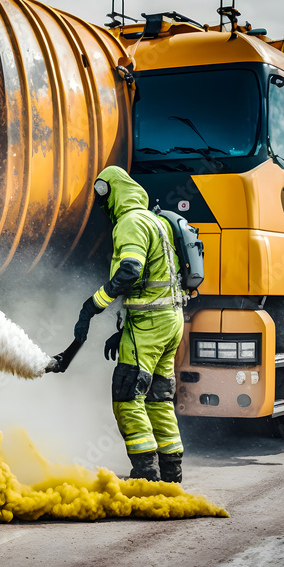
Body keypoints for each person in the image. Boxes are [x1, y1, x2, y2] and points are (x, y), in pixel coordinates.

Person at [48, 166, 185, 482]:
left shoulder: (130, 222)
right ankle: (172, 476)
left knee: (127, 396)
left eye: (102, 199)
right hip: (170, 320)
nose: (102, 207)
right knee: (159, 401)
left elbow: (131, 271)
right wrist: (122, 331)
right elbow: (156, 278)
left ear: (112, 193)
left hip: (149, 324)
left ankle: (146, 476)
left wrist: (92, 306)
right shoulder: (156, 221)